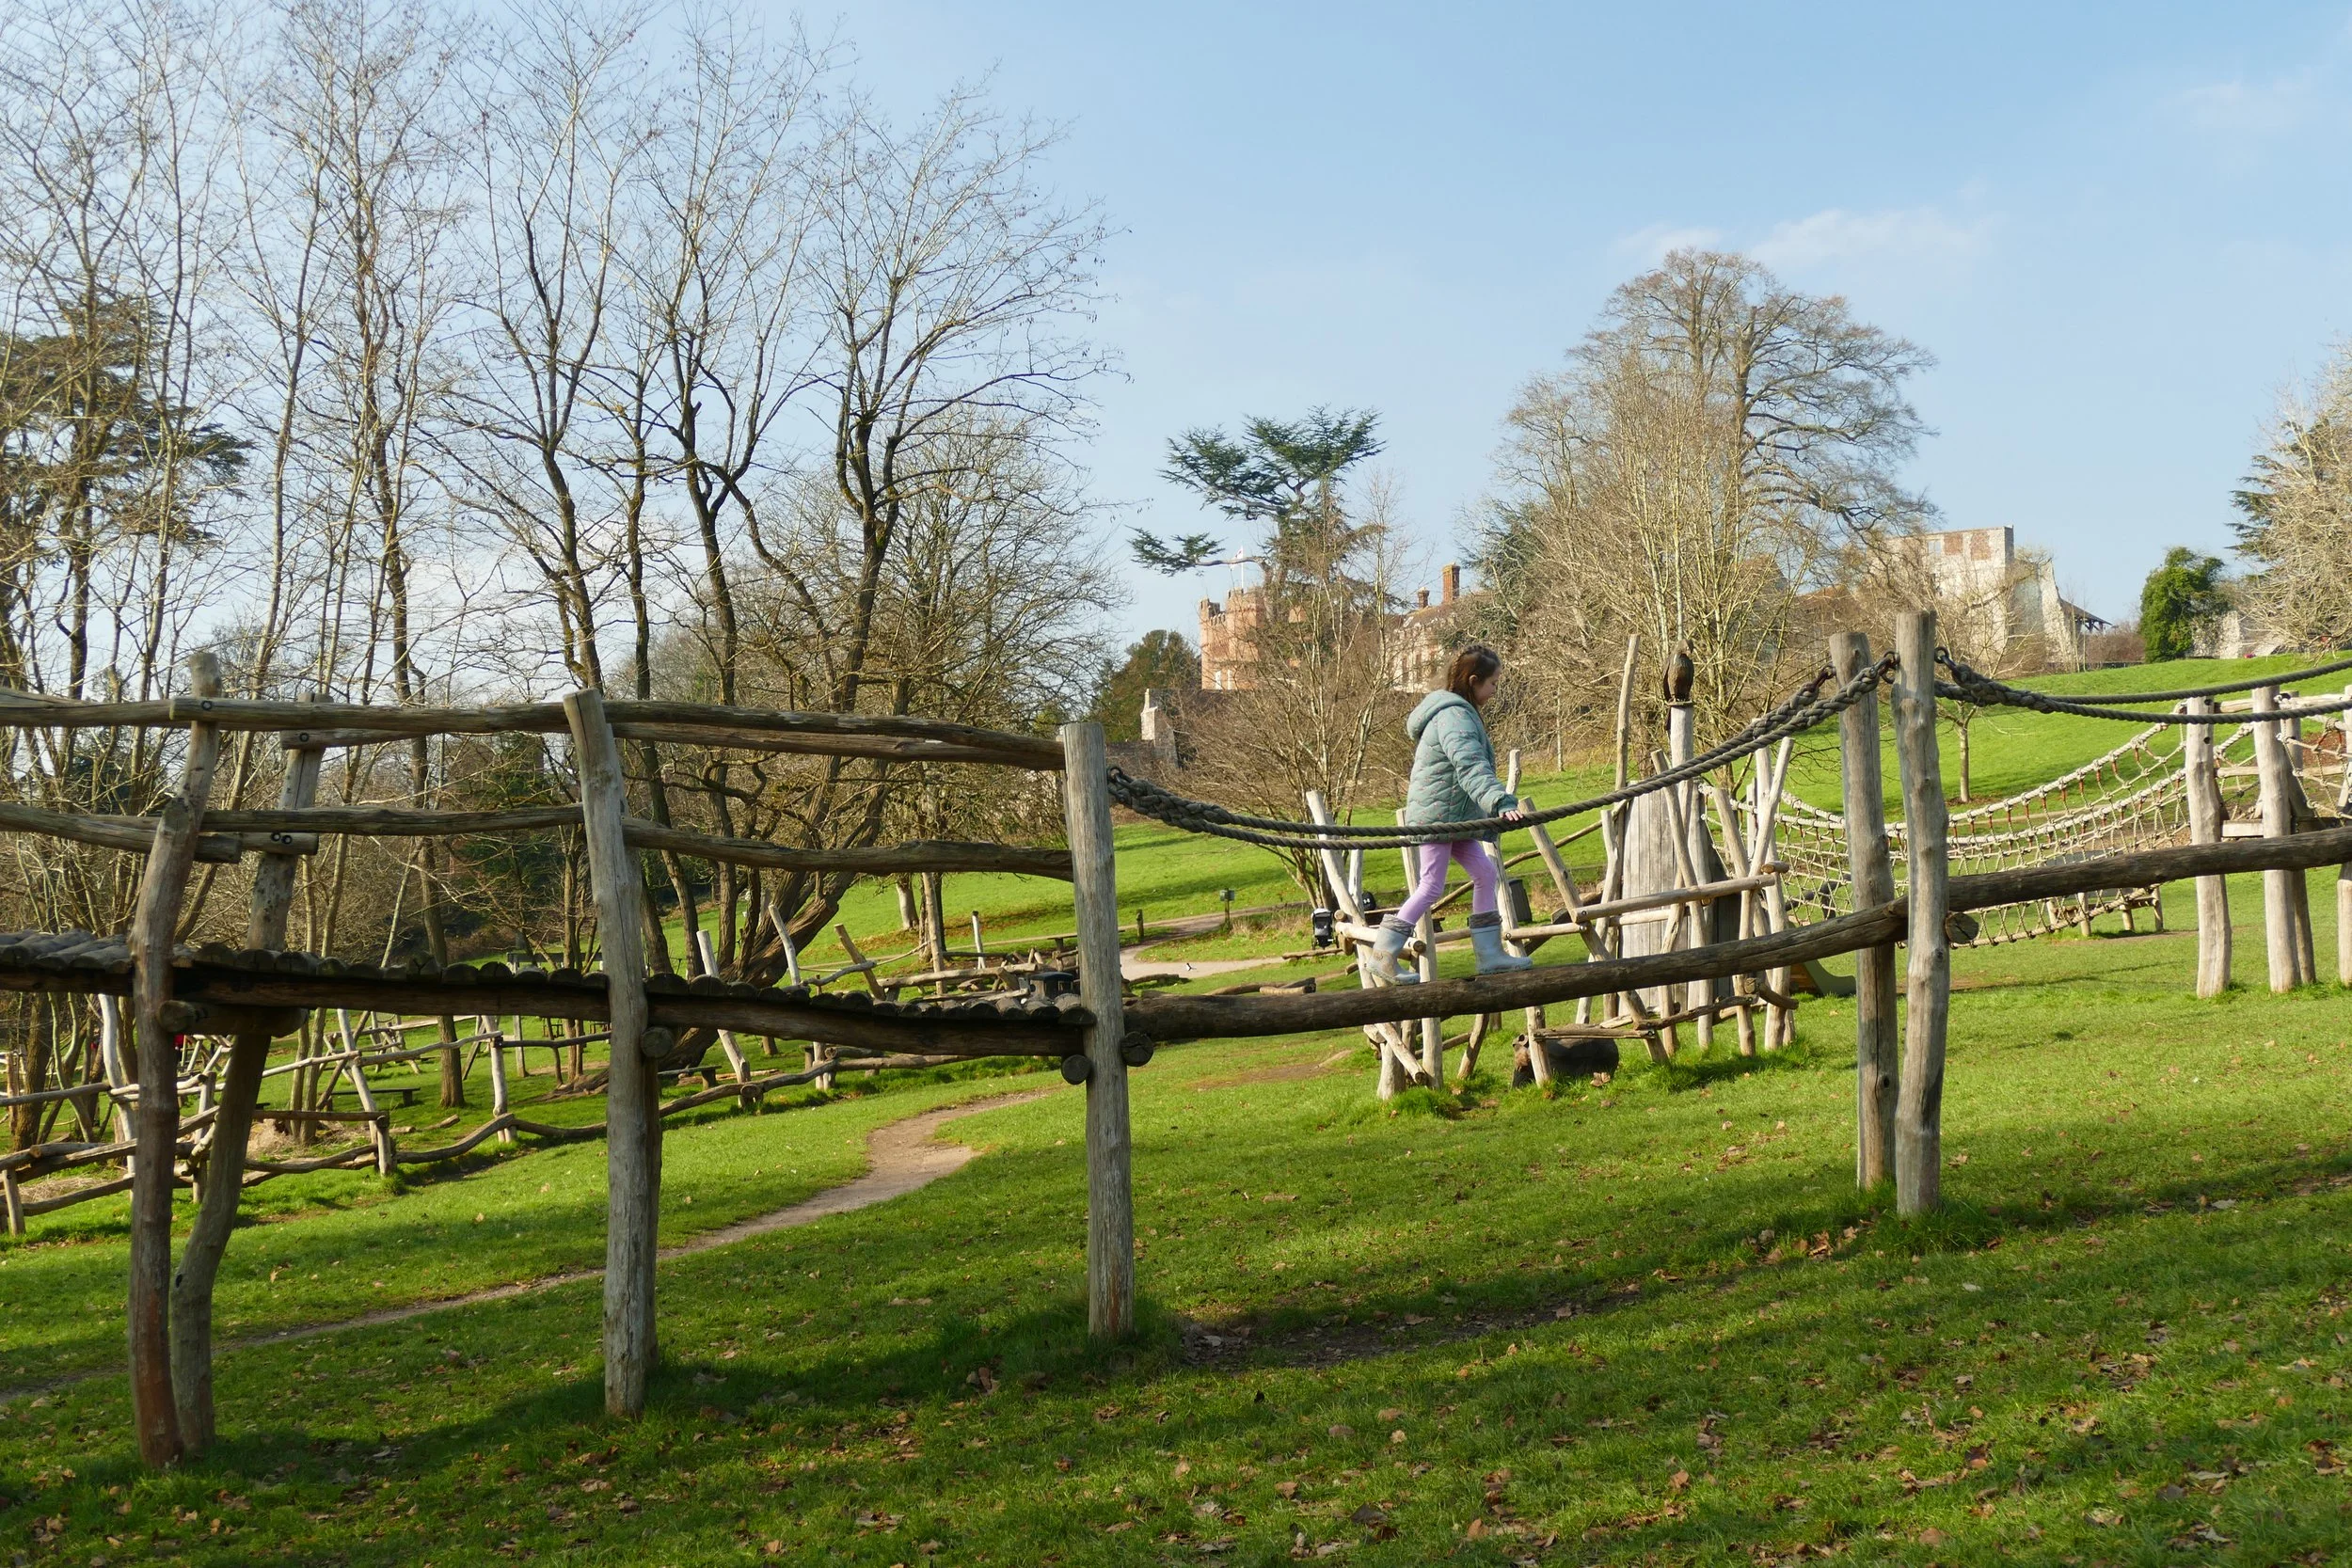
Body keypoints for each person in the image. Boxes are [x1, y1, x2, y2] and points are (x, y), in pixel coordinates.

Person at [1371, 644, 1533, 982]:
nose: (1494, 691)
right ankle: (1383, 954)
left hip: (1452, 818)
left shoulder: (1459, 711)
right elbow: (1470, 767)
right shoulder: (1454, 716)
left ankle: (1489, 955)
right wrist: (1501, 802)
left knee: (1486, 874)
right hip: (1436, 817)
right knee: (1431, 886)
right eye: (1492, 684)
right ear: (1474, 681)